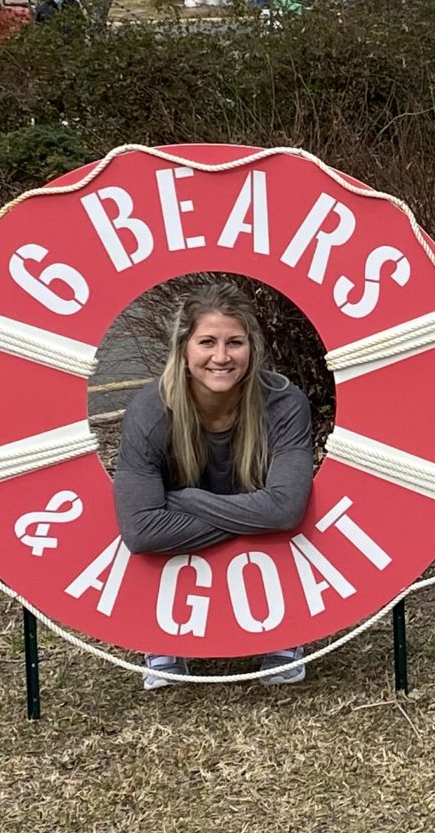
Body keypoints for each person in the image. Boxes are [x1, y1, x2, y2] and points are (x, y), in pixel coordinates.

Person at [112, 280, 317, 687]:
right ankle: (164, 640)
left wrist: (182, 499)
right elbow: (139, 531)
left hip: (250, 539)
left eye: (235, 343)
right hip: (185, 542)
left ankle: (283, 631)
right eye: (207, 342)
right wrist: (261, 511)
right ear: (184, 350)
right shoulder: (150, 411)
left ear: (252, 349)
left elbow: (286, 508)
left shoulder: (283, 403)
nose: (221, 357)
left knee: (302, 514)